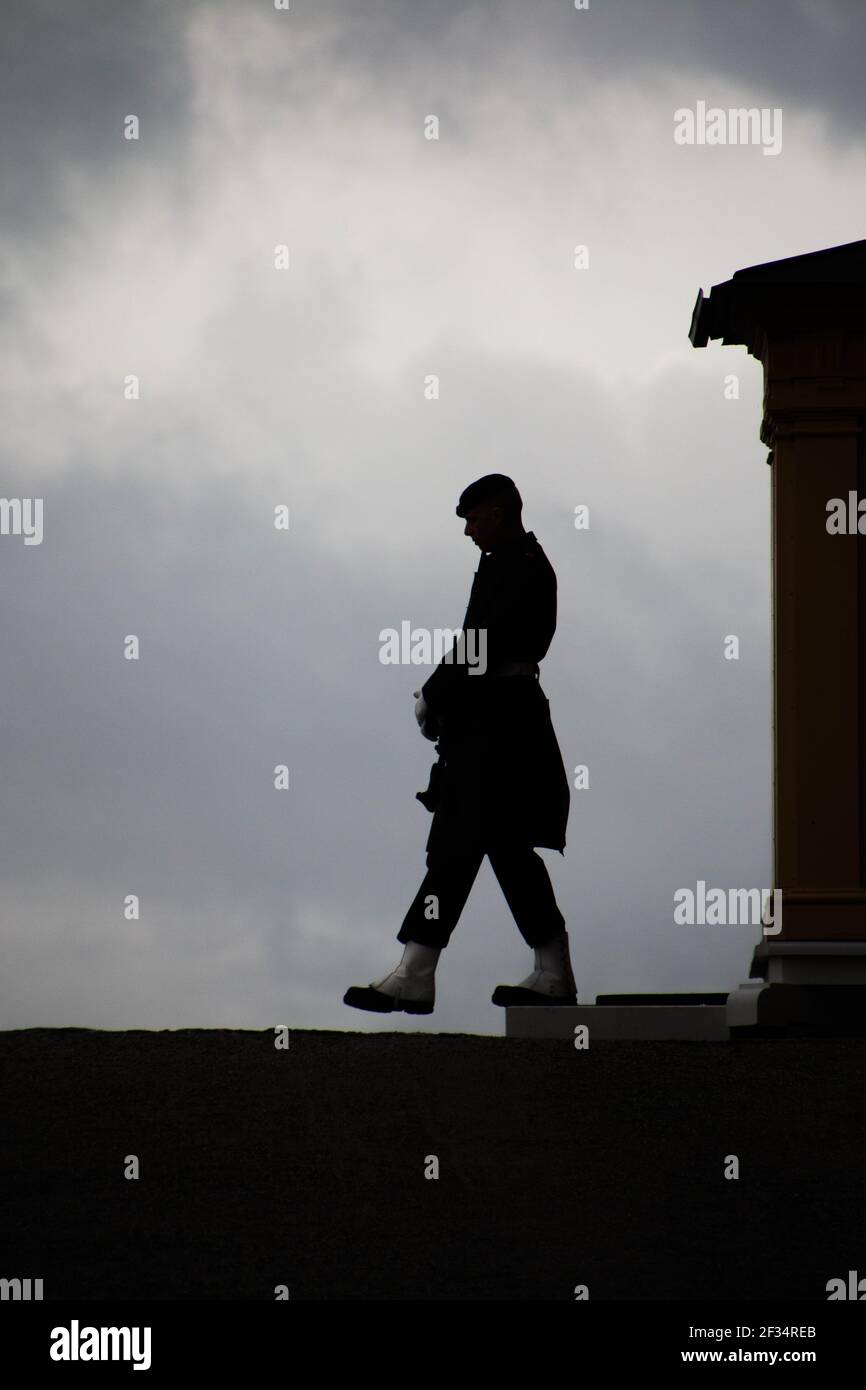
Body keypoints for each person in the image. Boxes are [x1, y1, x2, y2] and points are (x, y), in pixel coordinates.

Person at [343, 474, 576, 1015]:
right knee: (492, 848)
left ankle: (419, 972)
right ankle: (545, 971)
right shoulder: (511, 563)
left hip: (499, 731)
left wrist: (433, 693)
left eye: (473, 518)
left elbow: (482, 644)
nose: (468, 531)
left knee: (464, 846)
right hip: (495, 725)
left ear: (497, 512)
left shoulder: (518, 566)